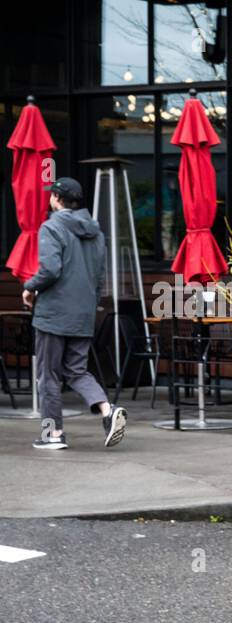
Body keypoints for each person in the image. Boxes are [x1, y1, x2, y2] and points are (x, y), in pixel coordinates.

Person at [22, 177, 126, 451]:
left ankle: (52, 434)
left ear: (56, 198)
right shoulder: (96, 232)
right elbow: (98, 276)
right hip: (83, 313)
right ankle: (107, 409)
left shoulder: (51, 226)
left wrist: (29, 287)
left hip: (54, 313)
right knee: (77, 370)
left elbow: (50, 270)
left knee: (48, 375)